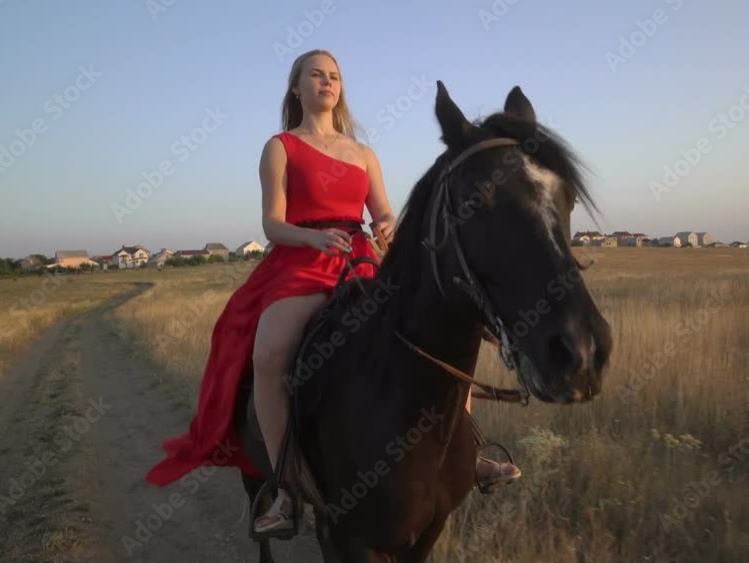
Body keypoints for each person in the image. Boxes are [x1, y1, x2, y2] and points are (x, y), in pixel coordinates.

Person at [146, 49, 521, 539]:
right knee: (267, 356)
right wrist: (312, 237)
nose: (327, 82)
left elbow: (383, 211)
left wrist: (387, 224)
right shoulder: (280, 147)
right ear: (296, 89)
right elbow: (272, 224)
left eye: (335, 76)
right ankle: (282, 489)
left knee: (435, 338)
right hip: (302, 261)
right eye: (316, 75)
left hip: (362, 259)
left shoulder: (362, 152)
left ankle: (469, 456)